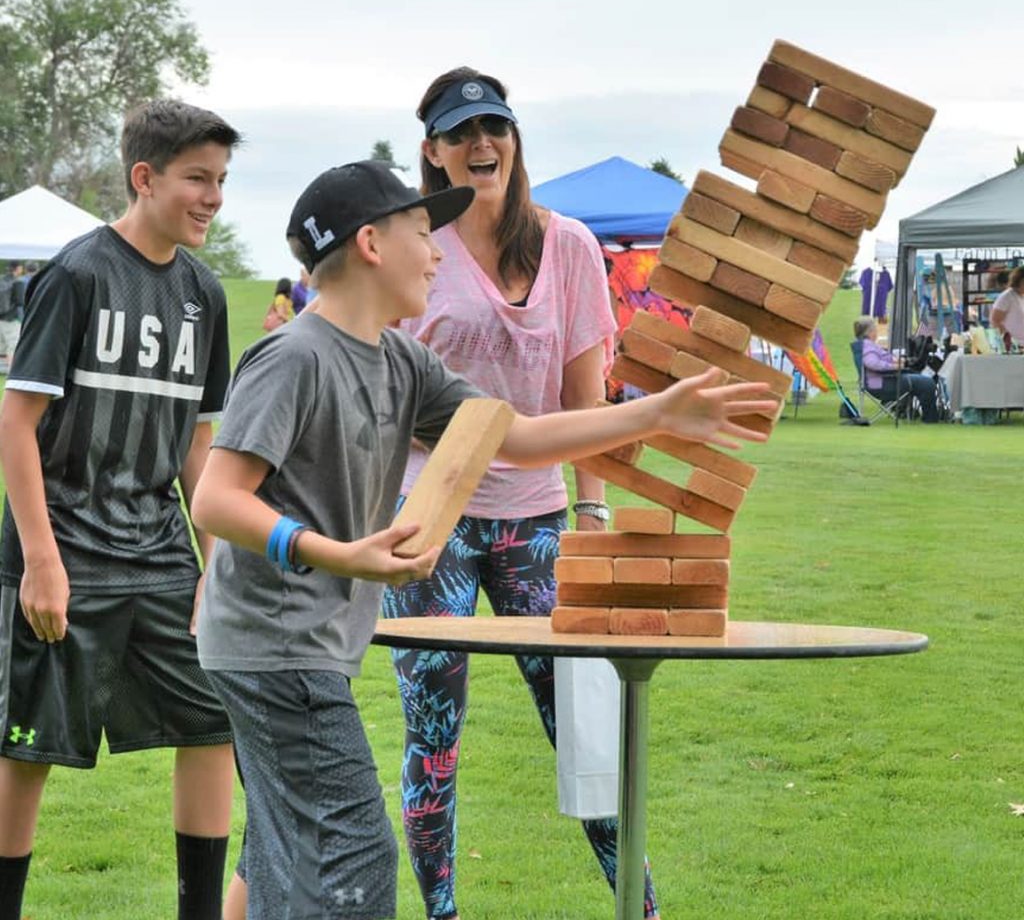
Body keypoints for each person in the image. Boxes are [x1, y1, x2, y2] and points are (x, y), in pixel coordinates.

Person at [192, 159, 773, 919]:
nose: (438, 253)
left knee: (281, 847)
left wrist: (654, 415)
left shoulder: (402, 361)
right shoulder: (294, 356)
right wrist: (337, 554)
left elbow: (521, 438)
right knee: (355, 850)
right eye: (424, 233)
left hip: (296, 644)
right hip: (273, 646)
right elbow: (215, 496)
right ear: (371, 243)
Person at [378, 67, 648, 920]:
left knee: (586, 727)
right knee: (434, 734)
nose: (480, 143)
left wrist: (594, 512)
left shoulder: (567, 245)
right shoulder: (413, 246)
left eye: (494, 126)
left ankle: (638, 908)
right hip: (433, 517)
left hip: (538, 520)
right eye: (460, 133)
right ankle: (440, 914)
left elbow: (586, 403)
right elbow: (387, 392)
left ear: (515, 138)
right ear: (433, 152)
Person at [0, 99, 241, 920]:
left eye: (221, 181)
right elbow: (16, 423)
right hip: (64, 553)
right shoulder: (74, 275)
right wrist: (39, 559)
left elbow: (195, 449)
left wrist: (219, 566)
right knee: (26, 749)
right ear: (145, 178)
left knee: (213, 725)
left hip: (162, 554)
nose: (213, 198)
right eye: (196, 179)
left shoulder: (205, 296)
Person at [853, 316, 940, 422]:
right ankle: (930, 419)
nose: (876, 331)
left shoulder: (865, 345)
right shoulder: (867, 347)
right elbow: (872, 363)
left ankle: (921, 415)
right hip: (884, 383)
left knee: (921, 379)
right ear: (870, 332)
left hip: (881, 381)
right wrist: (894, 367)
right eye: (875, 329)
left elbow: (883, 359)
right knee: (927, 383)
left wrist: (901, 362)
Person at [989, 265, 1024, 349]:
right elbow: (995, 320)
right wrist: (1006, 340)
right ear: (1020, 280)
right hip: (1013, 346)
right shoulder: (1007, 296)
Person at [0, 262, 25, 373]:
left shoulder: (2, 280)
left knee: (2, 346)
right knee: (13, 345)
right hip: (12, 318)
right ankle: (12, 371)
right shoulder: (18, 282)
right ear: (18, 269)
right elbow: (20, 301)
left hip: (1, 317)